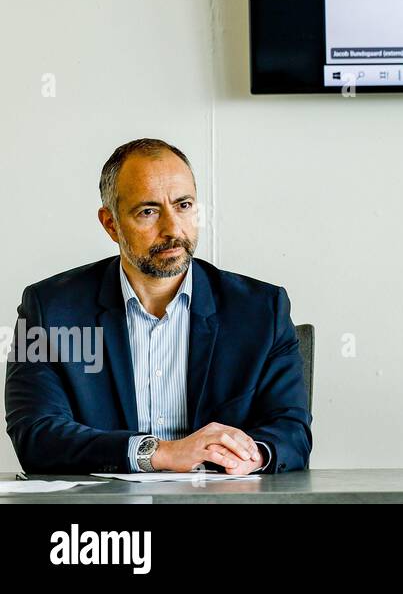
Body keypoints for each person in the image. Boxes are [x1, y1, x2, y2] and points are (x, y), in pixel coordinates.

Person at [5, 139, 311, 474]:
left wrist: (252, 455)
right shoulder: (50, 311)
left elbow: (291, 431)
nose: (172, 229)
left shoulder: (261, 310)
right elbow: (35, 434)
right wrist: (158, 453)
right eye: (148, 211)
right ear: (111, 224)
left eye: (183, 205)